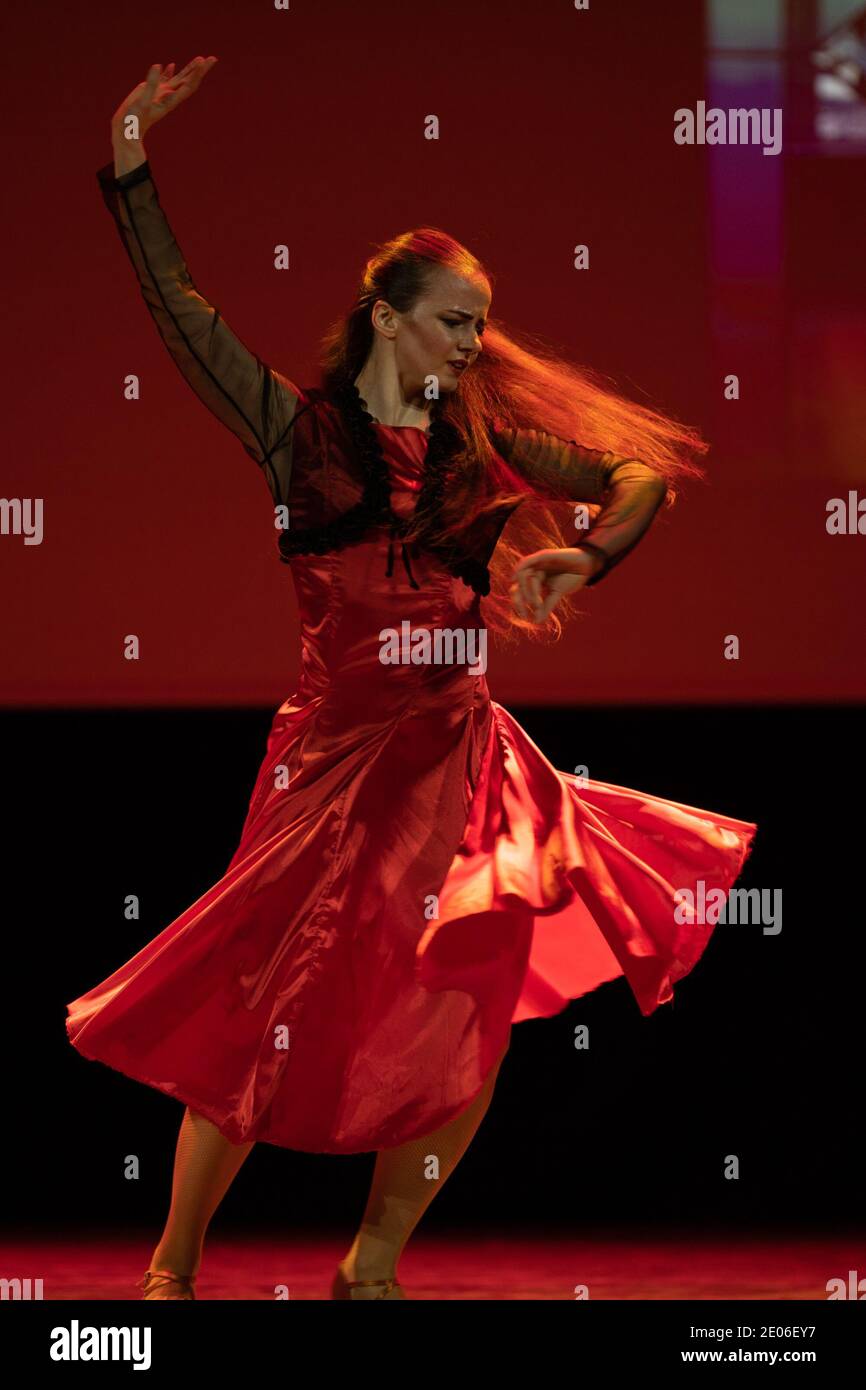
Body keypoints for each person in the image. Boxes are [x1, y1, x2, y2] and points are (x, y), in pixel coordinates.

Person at [66, 59, 758, 1301]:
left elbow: (636, 478)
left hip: (457, 754)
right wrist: (128, 156)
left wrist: (579, 561)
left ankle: (370, 1262)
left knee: (464, 1002)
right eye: (453, 319)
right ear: (386, 316)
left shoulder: (480, 451)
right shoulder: (297, 432)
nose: (473, 342)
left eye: (480, 323)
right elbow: (179, 306)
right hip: (329, 755)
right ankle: (171, 1264)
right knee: (255, 994)